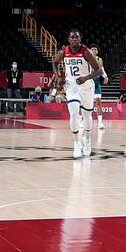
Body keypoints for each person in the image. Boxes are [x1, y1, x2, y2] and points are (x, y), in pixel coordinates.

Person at [54, 30, 105, 158]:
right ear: (68, 39)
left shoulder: (86, 51)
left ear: (80, 39)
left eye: (76, 37)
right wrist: (58, 77)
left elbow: (98, 70)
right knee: (73, 112)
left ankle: (87, 139)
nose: (74, 39)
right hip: (71, 86)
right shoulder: (63, 52)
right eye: (72, 37)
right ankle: (76, 143)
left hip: (86, 86)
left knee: (87, 115)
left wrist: (86, 78)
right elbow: (54, 63)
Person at [90, 45, 107, 130]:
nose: (94, 50)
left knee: (99, 103)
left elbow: (102, 69)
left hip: (96, 83)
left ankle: (100, 123)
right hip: (88, 82)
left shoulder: (100, 59)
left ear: (97, 52)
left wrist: (105, 77)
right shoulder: (86, 59)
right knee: (84, 103)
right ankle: (81, 121)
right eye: (92, 49)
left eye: (95, 49)